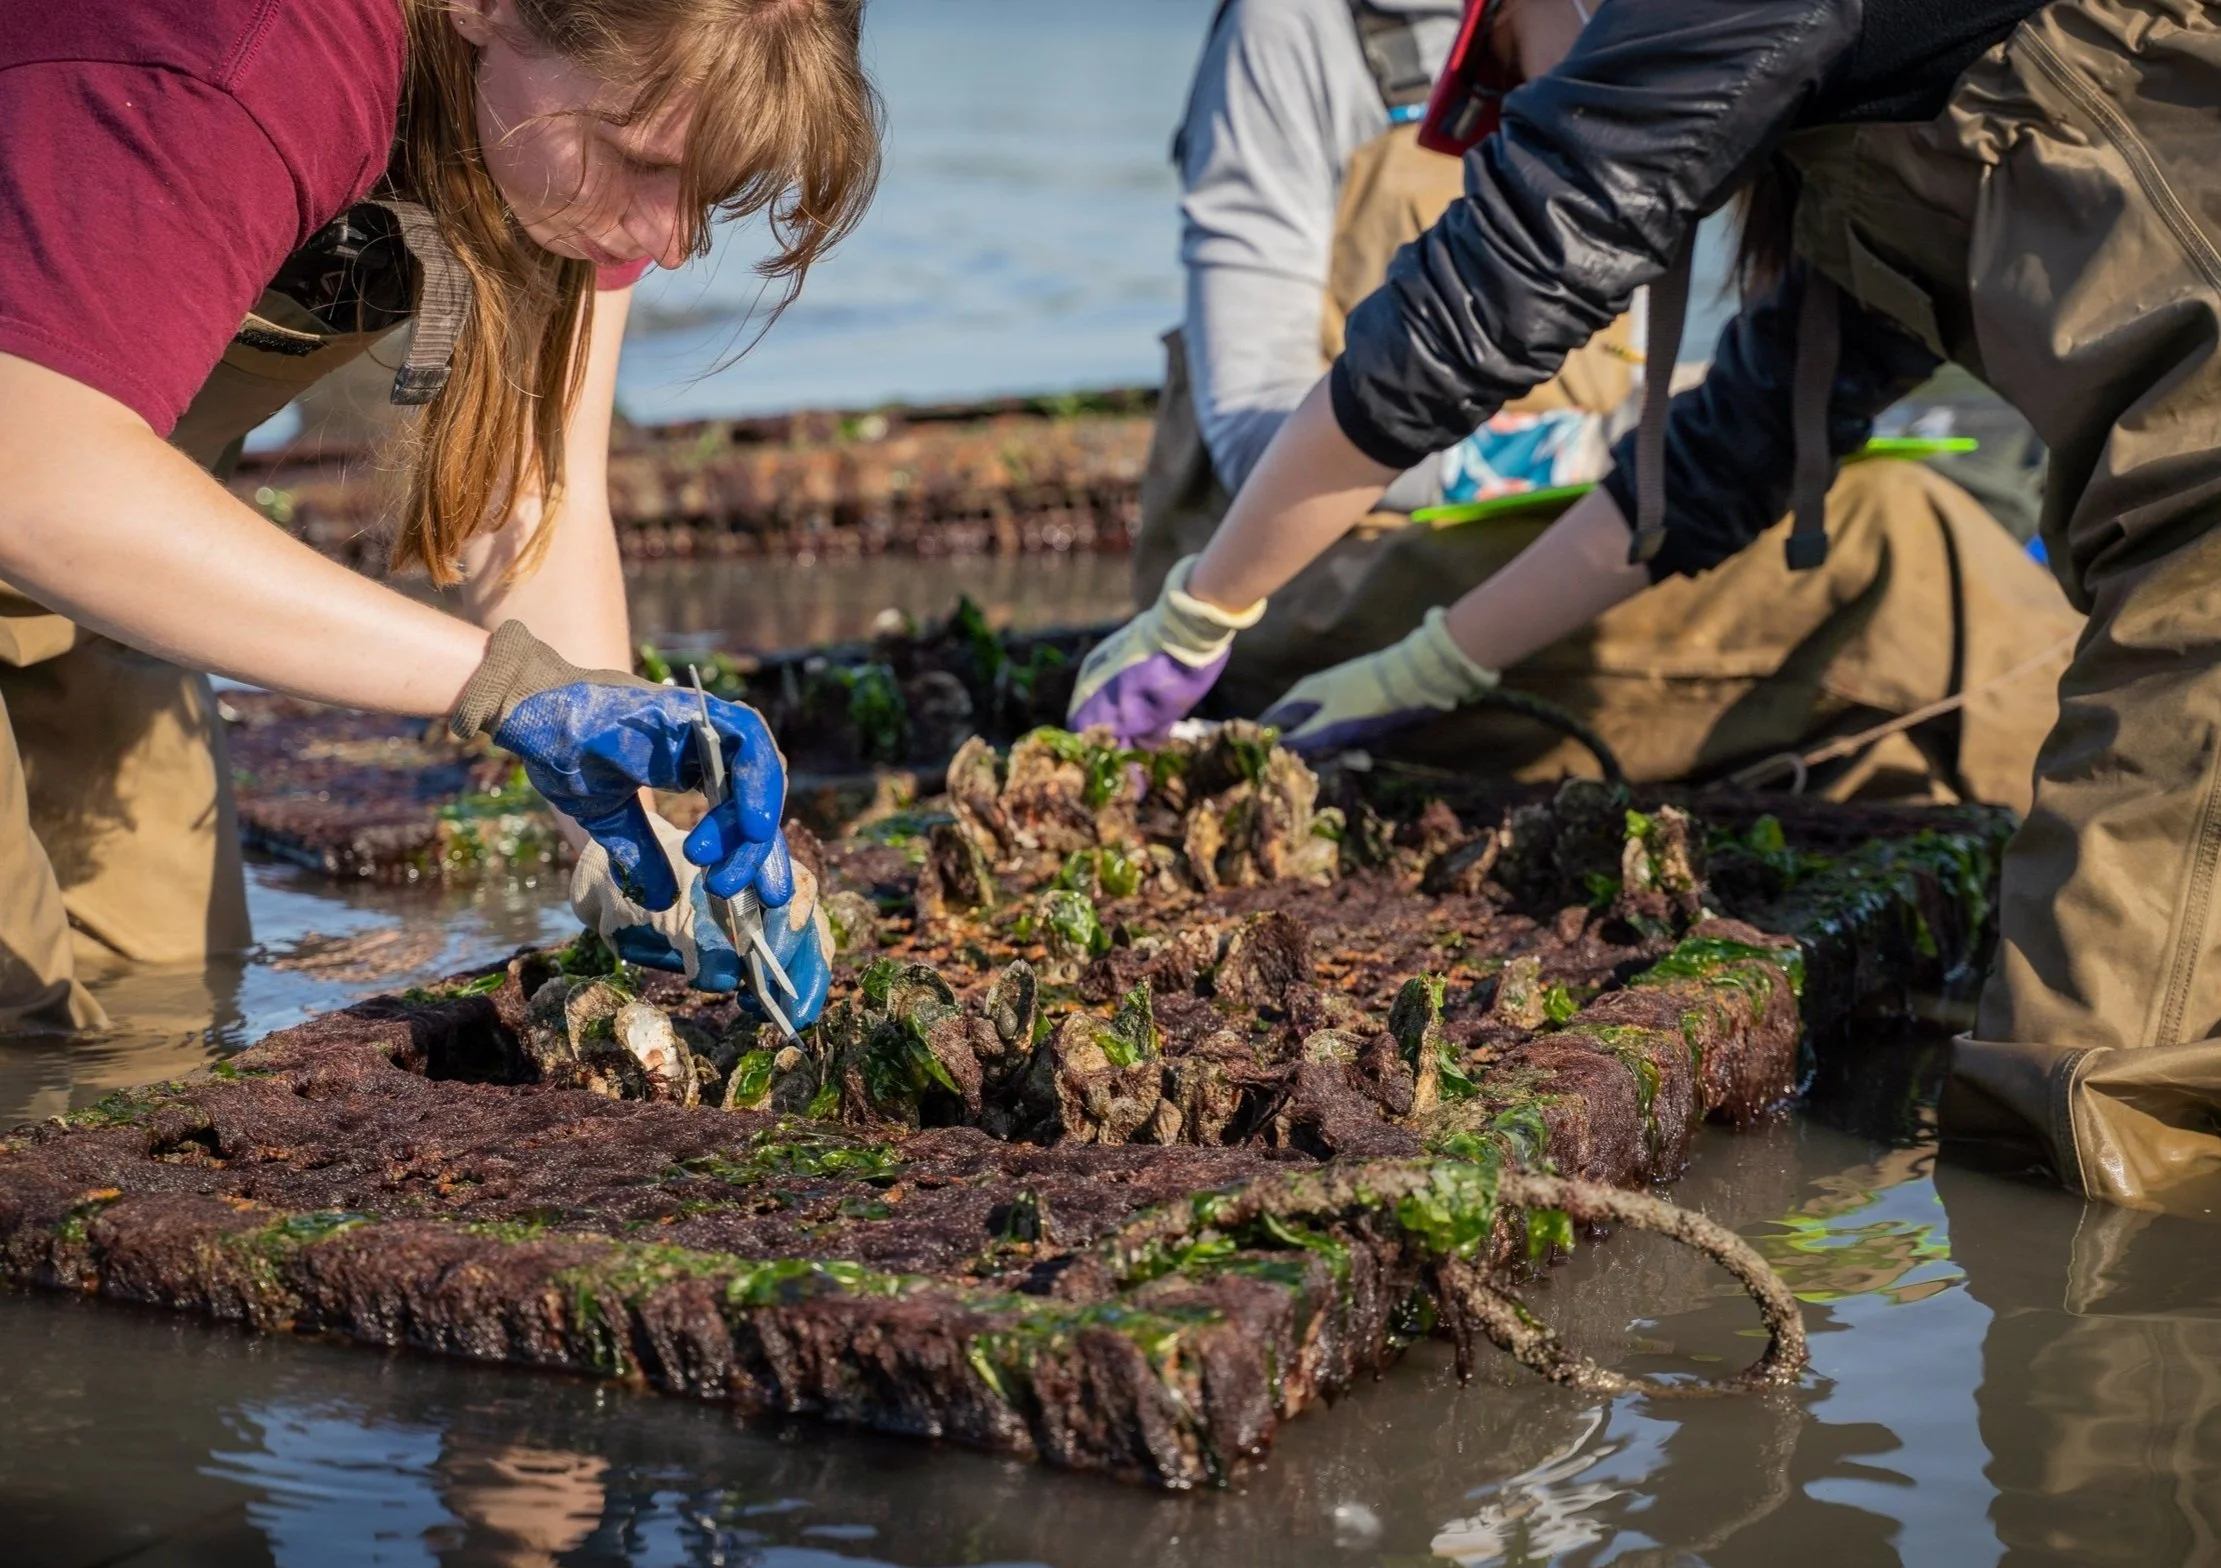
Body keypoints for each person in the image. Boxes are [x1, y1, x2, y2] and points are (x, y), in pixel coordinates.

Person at [1076, 0, 2221, 1212]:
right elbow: (1729, 454)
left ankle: (2103, 1378)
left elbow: (1493, 287)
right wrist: (1425, 665)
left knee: (2083, 1098)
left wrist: (1205, 607)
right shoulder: (1847, 100)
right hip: (2163, 507)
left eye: (1520, 74)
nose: (1553, 109)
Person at [0, 0, 879, 1035]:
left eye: (712, 193)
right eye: (640, 161)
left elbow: (531, 500)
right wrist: (503, 686)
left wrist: (624, 838)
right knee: (22, 1010)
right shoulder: (246, 60)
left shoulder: (567, 112)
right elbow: (35, 474)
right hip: (56, 485)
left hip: (123, 560)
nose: (670, 240)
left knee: (165, 1008)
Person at [1097, 0, 2075, 802]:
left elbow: (1730, 441)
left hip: (1538, 555)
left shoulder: (1743, 49)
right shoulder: (1294, 28)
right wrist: (1198, 615)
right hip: (1312, 572)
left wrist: (1433, 667)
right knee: (1897, 535)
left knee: (1904, 736)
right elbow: (1251, 424)